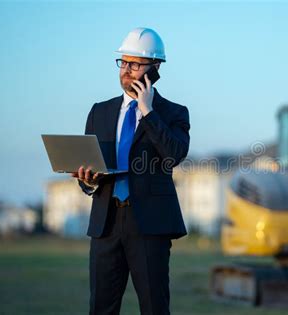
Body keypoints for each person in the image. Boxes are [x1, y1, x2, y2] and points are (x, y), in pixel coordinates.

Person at [71, 27, 190, 315]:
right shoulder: (99, 112)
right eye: (123, 63)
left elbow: (173, 154)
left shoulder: (173, 113)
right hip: (106, 224)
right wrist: (88, 182)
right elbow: (91, 170)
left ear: (155, 68)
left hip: (150, 225)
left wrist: (148, 111)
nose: (126, 70)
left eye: (134, 64)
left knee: (154, 308)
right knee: (100, 308)